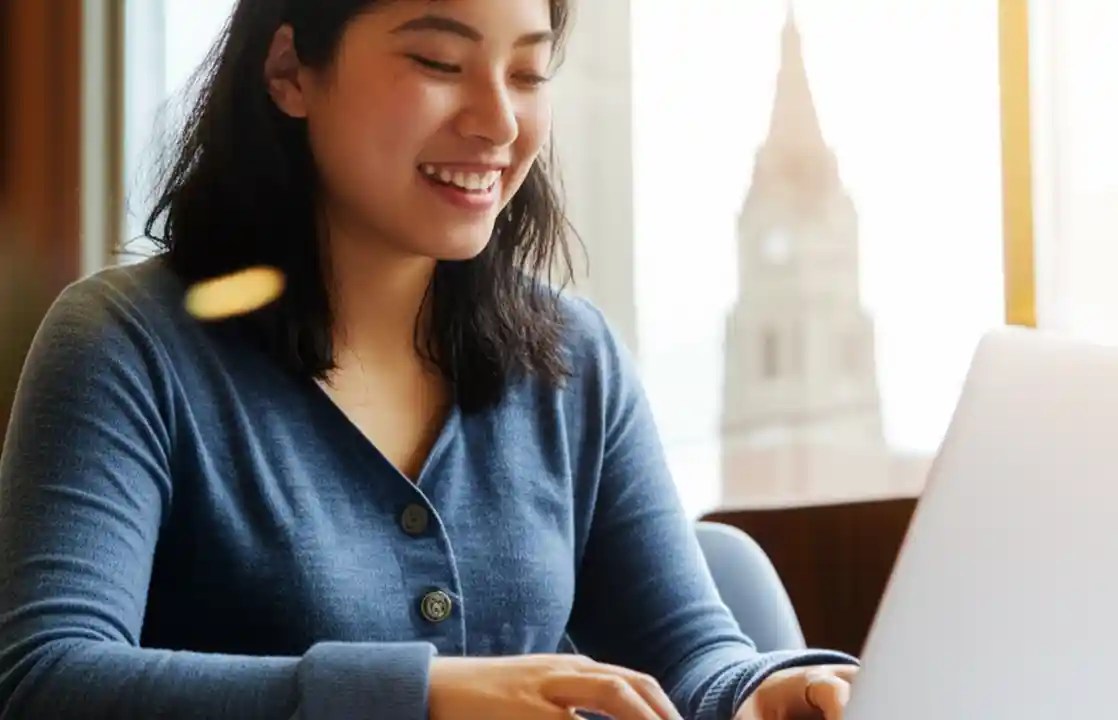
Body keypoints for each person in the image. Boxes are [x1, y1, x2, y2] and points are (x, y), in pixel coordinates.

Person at [0, 1, 859, 718]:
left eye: (527, 73)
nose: (497, 122)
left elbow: (689, 658)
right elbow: (45, 679)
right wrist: (423, 695)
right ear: (291, 72)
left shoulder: (573, 358)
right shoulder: (125, 344)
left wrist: (770, 690)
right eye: (440, 63)